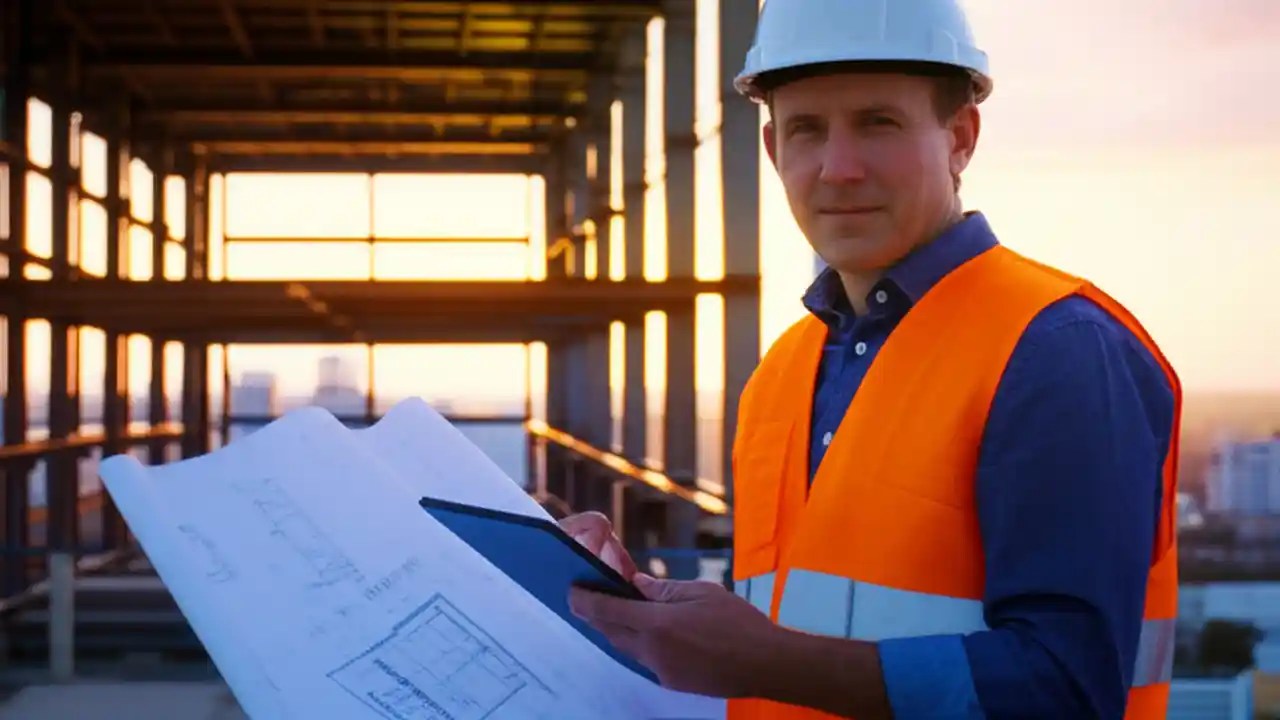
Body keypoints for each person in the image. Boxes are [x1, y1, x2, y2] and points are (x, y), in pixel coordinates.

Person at [563, 0, 1181, 718]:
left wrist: (767, 661)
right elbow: (811, 616)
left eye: (878, 124)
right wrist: (648, 610)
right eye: (806, 130)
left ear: (961, 137)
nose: (839, 168)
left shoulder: (1056, 350)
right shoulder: (784, 372)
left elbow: (1067, 688)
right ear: (772, 150)